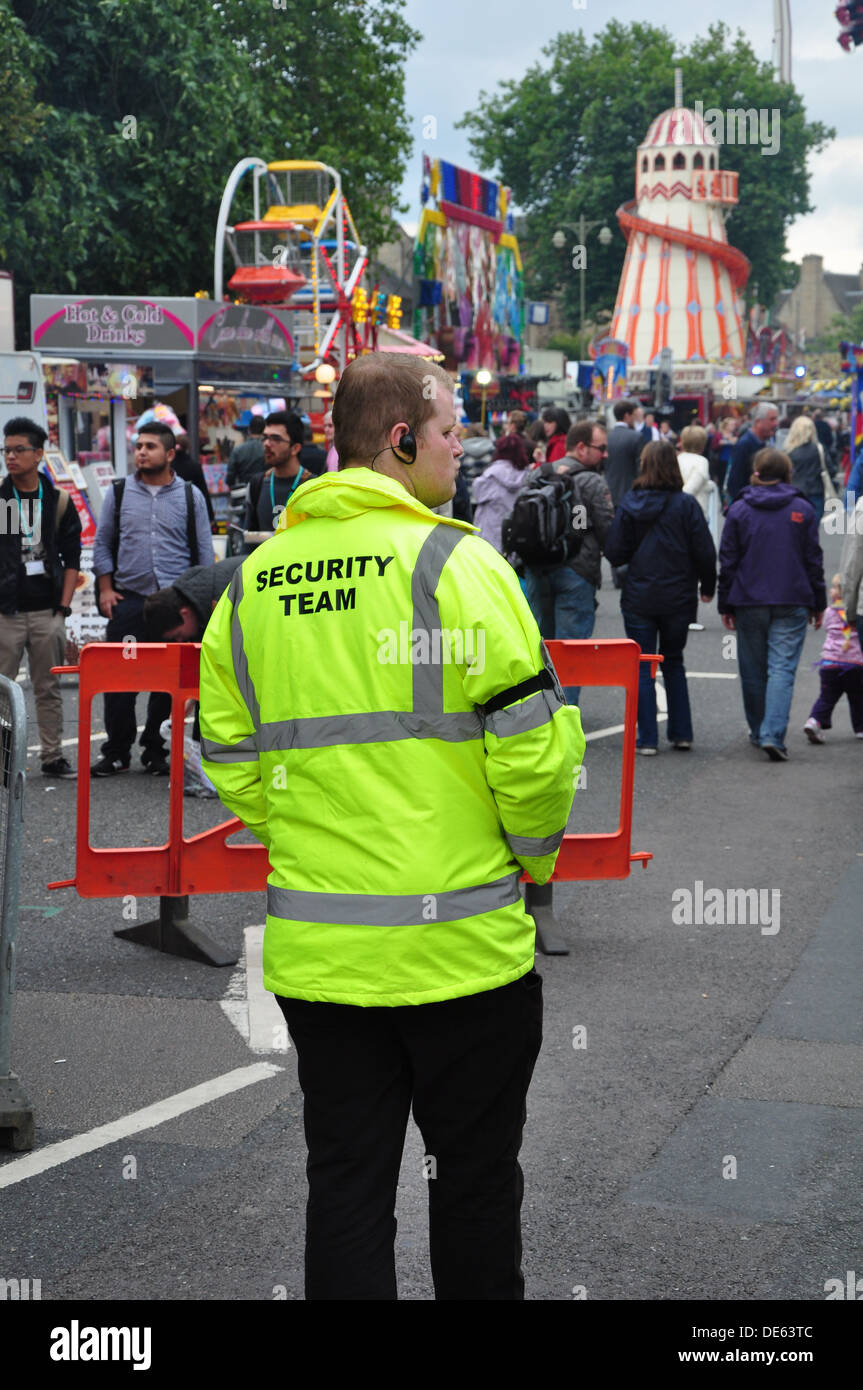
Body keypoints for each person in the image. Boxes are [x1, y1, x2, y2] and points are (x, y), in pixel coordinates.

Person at [198, 350, 584, 1302]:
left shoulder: (255, 583)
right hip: (461, 953)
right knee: (476, 1182)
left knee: (346, 1183)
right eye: (452, 431)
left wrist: (305, 827)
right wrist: (527, 864)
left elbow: (225, 750)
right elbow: (533, 751)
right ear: (403, 438)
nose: (461, 450)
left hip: (322, 957)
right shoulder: (459, 564)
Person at [91, 421, 214, 777]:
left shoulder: (191, 496)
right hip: (129, 601)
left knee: (170, 684)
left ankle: (155, 749)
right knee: (120, 682)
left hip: (176, 607)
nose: (142, 452)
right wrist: (104, 588)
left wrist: (201, 605)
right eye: (139, 446)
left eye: (150, 446)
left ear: (170, 453)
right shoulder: (118, 493)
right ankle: (116, 751)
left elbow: (204, 553)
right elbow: (103, 544)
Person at [604, 440, 716, 754]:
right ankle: (681, 733)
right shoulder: (686, 505)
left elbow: (614, 553)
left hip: (640, 594)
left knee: (641, 665)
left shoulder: (629, 503)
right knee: (674, 662)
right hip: (678, 595)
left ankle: (647, 738)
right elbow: (705, 551)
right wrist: (708, 586)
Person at [718, 447, 826, 762]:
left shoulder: (738, 510)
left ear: (756, 473)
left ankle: (757, 729)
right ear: (787, 473)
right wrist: (819, 602)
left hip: (749, 598)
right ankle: (772, 733)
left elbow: (728, 560)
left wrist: (726, 603)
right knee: (782, 668)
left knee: (752, 669)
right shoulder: (802, 509)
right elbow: (813, 560)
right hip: (792, 597)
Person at [0, 416, 81, 778]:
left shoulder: (58, 501)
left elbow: (72, 559)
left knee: (48, 687)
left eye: (19, 450)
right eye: (6, 450)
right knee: (3, 691)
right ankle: (3, 758)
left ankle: (52, 756)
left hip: (47, 611)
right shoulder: (2, 500)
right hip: (7, 613)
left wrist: (62, 609)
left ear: (38, 454)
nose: (10, 457)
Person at [525, 421, 614, 705]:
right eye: (601, 448)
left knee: (541, 649)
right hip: (578, 572)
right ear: (581, 447)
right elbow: (607, 530)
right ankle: (566, 717)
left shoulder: (540, 474)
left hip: (538, 569)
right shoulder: (592, 481)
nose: (605, 455)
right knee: (572, 652)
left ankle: (542, 715)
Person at [803, 573, 863, 743]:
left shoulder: (829, 612)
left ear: (837, 593)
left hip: (830, 664)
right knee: (858, 698)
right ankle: (860, 728)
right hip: (855, 665)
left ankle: (814, 721)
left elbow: (829, 627)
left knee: (827, 698)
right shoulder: (859, 615)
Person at [143, 555, 245, 641]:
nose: (180, 641)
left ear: (184, 613)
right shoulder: (204, 587)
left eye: (177, 635)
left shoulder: (219, 603)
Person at [243, 411, 312, 533]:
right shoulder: (257, 484)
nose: (267, 444)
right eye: (265, 438)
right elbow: (249, 537)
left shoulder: (312, 487)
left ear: (295, 448)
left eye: (275, 439)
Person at [470, 433, 530, 554]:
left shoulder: (491, 476)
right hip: (514, 535)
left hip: (489, 535)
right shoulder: (526, 475)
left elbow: (477, 494)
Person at [726, 402, 778, 502]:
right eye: (772, 419)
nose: (776, 423)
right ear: (758, 422)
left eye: (776, 419)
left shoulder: (763, 443)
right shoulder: (744, 445)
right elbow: (734, 484)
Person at [785, 414, 827, 524]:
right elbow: (830, 469)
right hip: (816, 493)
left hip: (795, 495)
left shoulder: (788, 451)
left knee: (797, 528)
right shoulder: (819, 449)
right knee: (812, 530)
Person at [604, 398, 643, 507]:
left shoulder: (606, 436)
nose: (634, 419)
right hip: (630, 492)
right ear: (627, 416)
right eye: (633, 415)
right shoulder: (636, 437)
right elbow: (639, 467)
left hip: (608, 490)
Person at [172, 431, 215, 525]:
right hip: (191, 509)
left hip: (171, 509)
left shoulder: (168, 466)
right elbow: (203, 490)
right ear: (187, 447)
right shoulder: (194, 466)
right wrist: (210, 515)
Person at [226, 415, 266, 489]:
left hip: (244, 490)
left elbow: (230, 478)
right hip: (264, 490)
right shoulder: (268, 450)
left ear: (249, 430)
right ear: (264, 431)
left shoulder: (238, 450)